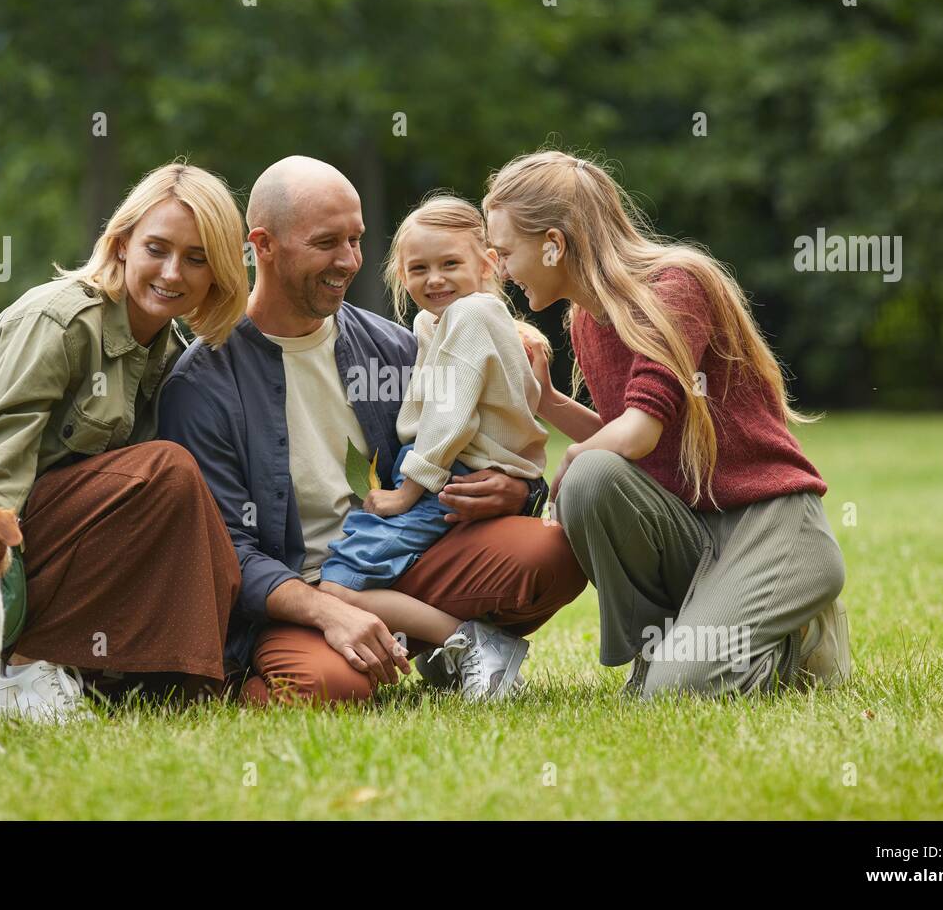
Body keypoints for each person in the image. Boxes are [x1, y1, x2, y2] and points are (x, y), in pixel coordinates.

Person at [158, 156, 587, 704]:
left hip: (401, 562)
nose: (348, 261)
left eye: (356, 240)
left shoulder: (391, 348)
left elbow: (471, 435)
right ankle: (407, 647)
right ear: (261, 245)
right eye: (326, 243)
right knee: (331, 687)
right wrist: (325, 611)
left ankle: (444, 646)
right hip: (297, 593)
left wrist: (515, 489)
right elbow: (227, 549)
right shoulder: (203, 383)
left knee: (552, 555)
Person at [482, 150, 850, 699]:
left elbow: (637, 433)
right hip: (692, 527)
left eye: (506, 252)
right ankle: (662, 644)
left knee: (675, 693)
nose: (501, 269)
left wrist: (567, 463)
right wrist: (551, 403)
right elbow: (629, 443)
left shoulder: (674, 286)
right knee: (595, 480)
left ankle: (801, 632)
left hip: (767, 523)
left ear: (554, 243)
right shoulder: (585, 320)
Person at [0, 160, 247, 720]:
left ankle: (166, 674)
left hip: (42, 519)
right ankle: (11, 670)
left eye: (197, 258)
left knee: (196, 512)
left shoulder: (170, 352)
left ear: (217, 272)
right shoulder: (64, 320)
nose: (174, 273)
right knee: (166, 471)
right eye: (158, 248)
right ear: (122, 244)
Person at [316, 194, 552, 700]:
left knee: (337, 587)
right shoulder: (434, 323)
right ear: (401, 276)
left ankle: (471, 645)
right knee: (361, 567)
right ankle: (454, 650)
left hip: (451, 472)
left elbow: (450, 416)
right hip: (447, 468)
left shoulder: (471, 314)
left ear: (489, 263)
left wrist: (407, 491)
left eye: (451, 264)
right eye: (418, 268)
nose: (435, 279)